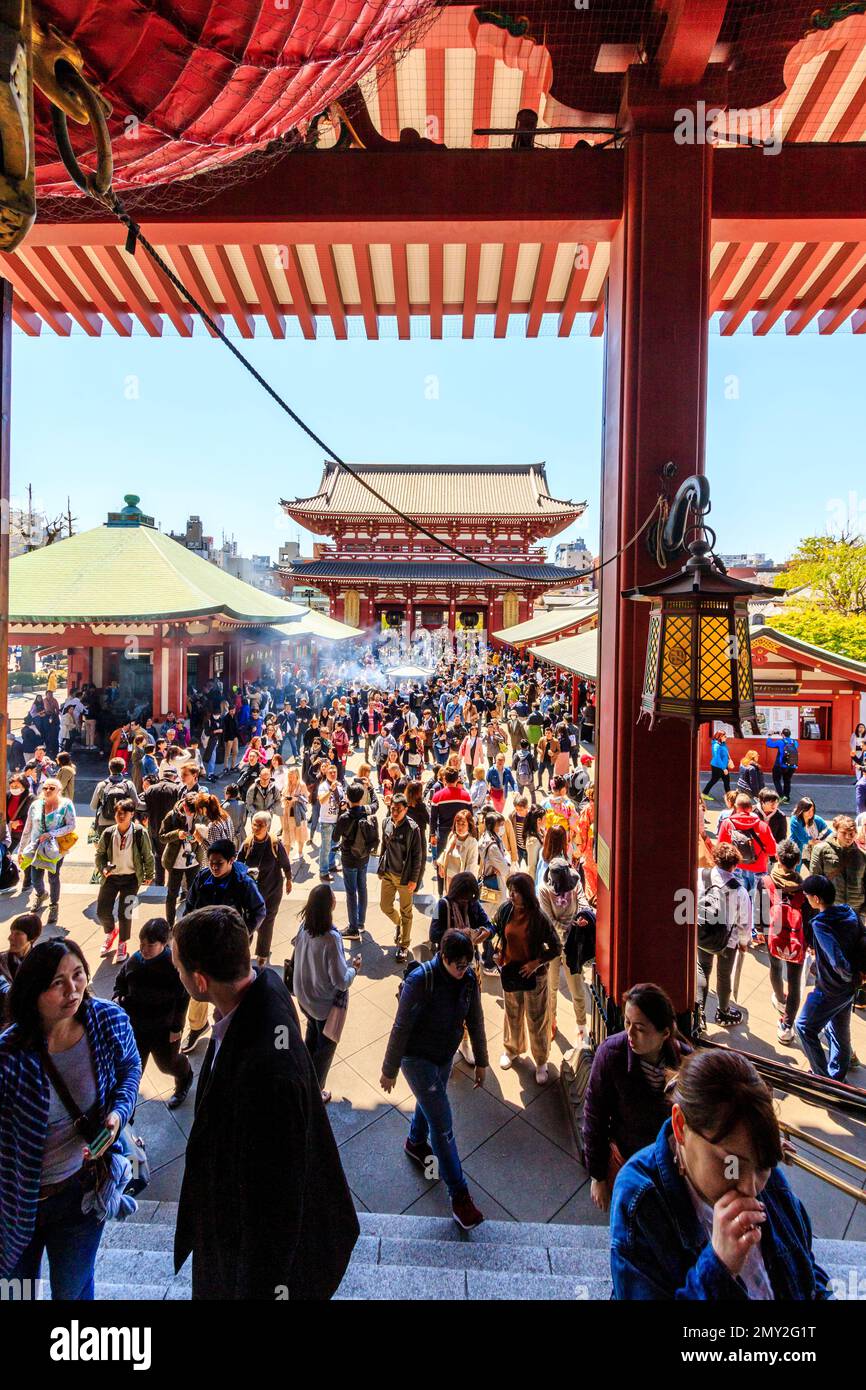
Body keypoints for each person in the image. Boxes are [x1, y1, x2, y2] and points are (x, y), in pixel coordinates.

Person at [171, 905, 360, 1298]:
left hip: (250, 1260)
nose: (177, 975)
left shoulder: (268, 1076)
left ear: (201, 981)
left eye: (178, 969)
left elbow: (277, 1208)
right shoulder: (265, 985)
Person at [609, 1048, 831, 1300]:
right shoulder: (641, 1199)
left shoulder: (766, 1179)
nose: (750, 1188)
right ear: (681, 1126)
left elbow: (805, 1269)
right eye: (731, 1164)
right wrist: (718, 1267)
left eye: (763, 1166)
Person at [0, 939, 141, 1298]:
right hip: (15, 1201)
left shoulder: (107, 1021)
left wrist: (117, 1114)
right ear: (33, 991)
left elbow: (129, 1067)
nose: (73, 989)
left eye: (78, 975)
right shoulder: (10, 1055)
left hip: (82, 1193)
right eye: (57, 982)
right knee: (16, 1292)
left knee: (73, 1291)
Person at [379, 927, 488, 1231]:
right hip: (416, 1058)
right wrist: (389, 1070)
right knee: (443, 1125)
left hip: (444, 1053)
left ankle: (415, 1142)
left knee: (431, 1102)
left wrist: (482, 1061)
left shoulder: (467, 980)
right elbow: (400, 1027)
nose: (463, 971)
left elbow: (476, 1020)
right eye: (458, 965)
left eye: (467, 965)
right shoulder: (420, 981)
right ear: (443, 957)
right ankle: (459, 1195)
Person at [584, 982, 691, 1213]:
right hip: (628, 1162)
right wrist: (597, 1175)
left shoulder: (685, 1061)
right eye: (627, 1022)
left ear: (664, 1033)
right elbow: (594, 1116)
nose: (629, 1033)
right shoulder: (611, 1054)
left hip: (671, 1168)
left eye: (640, 1028)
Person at [180, 839, 267, 1052]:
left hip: (230, 949)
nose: (214, 867)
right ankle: (197, 1026)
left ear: (231, 860)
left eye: (219, 863)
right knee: (199, 986)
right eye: (211, 862)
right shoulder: (202, 877)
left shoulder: (243, 883)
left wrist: (241, 933)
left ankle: (232, 1028)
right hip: (203, 943)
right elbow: (189, 906)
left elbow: (259, 911)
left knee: (231, 990)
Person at [112, 918, 193, 1110]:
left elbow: (183, 998)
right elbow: (120, 980)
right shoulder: (135, 960)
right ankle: (125, 1110)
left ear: (164, 943)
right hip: (136, 1027)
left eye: (150, 945)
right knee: (133, 1069)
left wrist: (177, 1028)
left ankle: (185, 1077)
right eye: (141, 944)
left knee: (167, 1064)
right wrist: (118, 997)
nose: (144, 949)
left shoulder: (173, 965)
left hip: (162, 1028)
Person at [291, 884, 362, 1101]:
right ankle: (315, 1091)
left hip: (304, 997)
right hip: (322, 1004)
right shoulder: (331, 938)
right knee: (325, 1048)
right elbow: (341, 981)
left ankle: (304, 1075)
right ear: (329, 906)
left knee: (312, 1035)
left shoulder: (304, 927)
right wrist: (354, 968)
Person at [490, 872, 561, 1083]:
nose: (512, 895)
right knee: (512, 1013)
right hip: (511, 970)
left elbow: (556, 946)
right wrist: (497, 949)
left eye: (516, 892)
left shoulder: (539, 917)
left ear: (526, 894)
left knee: (537, 1018)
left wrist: (536, 963)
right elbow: (497, 929)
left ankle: (541, 1061)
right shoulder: (505, 910)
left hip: (534, 976)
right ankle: (512, 1048)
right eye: (510, 890)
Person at [796, 874, 866, 1081]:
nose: (806, 898)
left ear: (816, 899)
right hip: (848, 989)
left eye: (807, 895)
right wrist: (856, 977)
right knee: (839, 1032)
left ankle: (821, 1077)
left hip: (830, 988)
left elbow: (836, 960)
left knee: (804, 1027)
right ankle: (837, 1077)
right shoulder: (849, 912)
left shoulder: (821, 924)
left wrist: (848, 976)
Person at [695, 843, 752, 1029]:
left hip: (702, 932)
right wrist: (744, 942)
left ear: (715, 859)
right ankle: (723, 1012)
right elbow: (744, 922)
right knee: (724, 975)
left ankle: (699, 1014)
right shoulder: (739, 890)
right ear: (735, 865)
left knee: (703, 969)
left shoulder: (700, 875)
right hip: (728, 940)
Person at [758, 839, 809, 1045]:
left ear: (777, 858)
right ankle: (787, 1027)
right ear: (797, 862)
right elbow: (808, 916)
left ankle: (779, 998)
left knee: (775, 967)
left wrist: (761, 931)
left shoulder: (767, 881)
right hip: (796, 938)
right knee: (795, 982)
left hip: (774, 932)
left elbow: (760, 908)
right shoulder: (804, 887)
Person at [94, 798, 155, 964]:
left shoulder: (139, 832)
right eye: (118, 813)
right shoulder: (108, 833)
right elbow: (99, 855)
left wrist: (149, 874)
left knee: (125, 913)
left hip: (131, 879)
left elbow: (147, 855)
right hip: (111, 878)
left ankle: (122, 942)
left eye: (124, 813)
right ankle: (110, 932)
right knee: (102, 911)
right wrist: (103, 868)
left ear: (131, 814)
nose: (120, 816)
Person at [538, 856, 590, 1045]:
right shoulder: (544, 890)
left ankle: (581, 1026)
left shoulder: (575, 881)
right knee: (551, 987)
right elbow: (549, 922)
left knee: (577, 987)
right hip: (552, 945)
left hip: (573, 944)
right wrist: (571, 927)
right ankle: (551, 1022)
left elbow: (583, 902)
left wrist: (585, 914)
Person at [18, 777, 77, 928]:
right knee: (35, 878)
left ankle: (54, 905)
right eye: (45, 788)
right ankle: (41, 894)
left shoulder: (66, 805)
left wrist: (52, 834)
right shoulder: (35, 805)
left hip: (55, 848)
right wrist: (21, 849)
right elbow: (28, 828)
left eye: (52, 788)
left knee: (53, 876)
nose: (48, 790)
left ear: (59, 790)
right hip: (36, 847)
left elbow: (71, 825)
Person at [237, 811, 293, 966]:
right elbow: (238, 864)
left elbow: (285, 863)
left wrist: (289, 879)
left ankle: (262, 954)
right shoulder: (247, 843)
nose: (256, 827)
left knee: (267, 921)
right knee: (248, 920)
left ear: (267, 826)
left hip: (272, 890)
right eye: (254, 824)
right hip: (251, 891)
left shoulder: (275, 843)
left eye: (260, 825)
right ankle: (243, 949)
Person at [378, 793, 423, 963]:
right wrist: (382, 868)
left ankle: (404, 945)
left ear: (405, 809)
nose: (394, 812)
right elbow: (384, 846)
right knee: (385, 906)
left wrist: (414, 880)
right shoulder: (386, 823)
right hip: (388, 873)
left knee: (407, 911)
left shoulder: (413, 829)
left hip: (405, 877)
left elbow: (418, 855)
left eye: (398, 810)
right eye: (392, 809)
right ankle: (399, 924)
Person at [333, 783, 379, 940]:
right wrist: (371, 789)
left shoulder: (345, 817)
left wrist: (341, 810)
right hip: (364, 856)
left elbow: (334, 837)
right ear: (361, 797)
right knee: (363, 888)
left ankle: (352, 928)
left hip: (348, 858)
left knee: (351, 892)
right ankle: (360, 923)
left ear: (347, 797)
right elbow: (376, 804)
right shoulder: (367, 811)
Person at [161, 789, 206, 930]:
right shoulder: (172, 816)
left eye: (195, 812)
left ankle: (191, 922)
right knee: (172, 894)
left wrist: (197, 838)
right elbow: (161, 837)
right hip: (175, 861)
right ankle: (169, 925)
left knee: (194, 893)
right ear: (185, 806)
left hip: (193, 860)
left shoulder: (199, 815)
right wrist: (177, 834)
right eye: (190, 811)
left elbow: (204, 833)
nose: (192, 814)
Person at [809, 815, 866, 925]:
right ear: (836, 831)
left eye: (851, 834)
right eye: (844, 833)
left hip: (856, 912)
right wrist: (821, 908)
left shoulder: (862, 856)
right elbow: (814, 882)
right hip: (830, 910)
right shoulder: (821, 850)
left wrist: (863, 911)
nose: (848, 837)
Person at [90, 757, 143, 835]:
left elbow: (93, 806)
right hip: (124, 823)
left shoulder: (101, 785)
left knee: (105, 846)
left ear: (109, 768)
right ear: (123, 768)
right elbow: (137, 805)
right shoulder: (128, 784)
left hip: (104, 823)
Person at [316, 762, 345, 883]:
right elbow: (322, 800)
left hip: (337, 820)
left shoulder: (339, 786)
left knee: (334, 845)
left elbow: (342, 800)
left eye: (334, 772)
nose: (333, 774)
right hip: (326, 821)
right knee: (325, 847)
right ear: (326, 774)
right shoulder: (323, 786)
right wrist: (330, 790)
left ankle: (331, 865)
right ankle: (323, 872)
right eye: (330, 772)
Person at [478, 811, 512, 910]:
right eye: (499, 825)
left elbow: (505, 853)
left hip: (491, 881)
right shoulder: (492, 846)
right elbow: (505, 869)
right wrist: (506, 859)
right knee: (495, 912)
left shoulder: (489, 838)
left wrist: (505, 856)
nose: (502, 827)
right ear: (491, 826)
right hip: (495, 884)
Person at [0, 911, 42, 991]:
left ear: (32, 938)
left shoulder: (41, 964)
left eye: (17, 934)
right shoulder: (2, 961)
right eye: (11, 933)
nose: (10, 938)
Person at [789, 796, 831, 869]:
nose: (811, 813)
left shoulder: (817, 819)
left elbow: (829, 833)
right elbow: (804, 838)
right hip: (797, 852)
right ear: (802, 810)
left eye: (812, 810)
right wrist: (818, 842)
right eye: (808, 810)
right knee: (794, 876)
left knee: (817, 875)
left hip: (812, 853)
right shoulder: (794, 820)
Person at [280, 766, 309, 863]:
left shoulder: (302, 785)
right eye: (289, 775)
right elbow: (282, 796)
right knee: (287, 833)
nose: (290, 778)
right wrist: (285, 799)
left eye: (292, 776)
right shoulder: (287, 784)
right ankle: (286, 857)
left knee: (300, 833)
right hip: (287, 813)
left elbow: (306, 800)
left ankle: (300, 853)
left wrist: (296, 799)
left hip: (297, 813)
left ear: (297, 775)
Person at [766, 726, 799, 804]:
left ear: (782, 735)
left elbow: (769, 744)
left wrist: (770, 736)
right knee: (787, 781)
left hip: (780, 765)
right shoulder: (795, 742)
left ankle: (781, 796)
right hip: (791, 765)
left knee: (776, 780)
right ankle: (787, 798)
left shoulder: (780, 742)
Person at [702, 729, 733, 802]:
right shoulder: (716, 746)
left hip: (724, 766)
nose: (726, 737)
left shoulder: (722, 744)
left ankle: (729, 797)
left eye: (726, 736)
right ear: (720, 736)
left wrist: (729, 760)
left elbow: (726, 753)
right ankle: (704, 794)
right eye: (724, 736)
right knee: (713, 780)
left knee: (726, 781)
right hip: (717, 767)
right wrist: (723, 768)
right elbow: (717, 757)